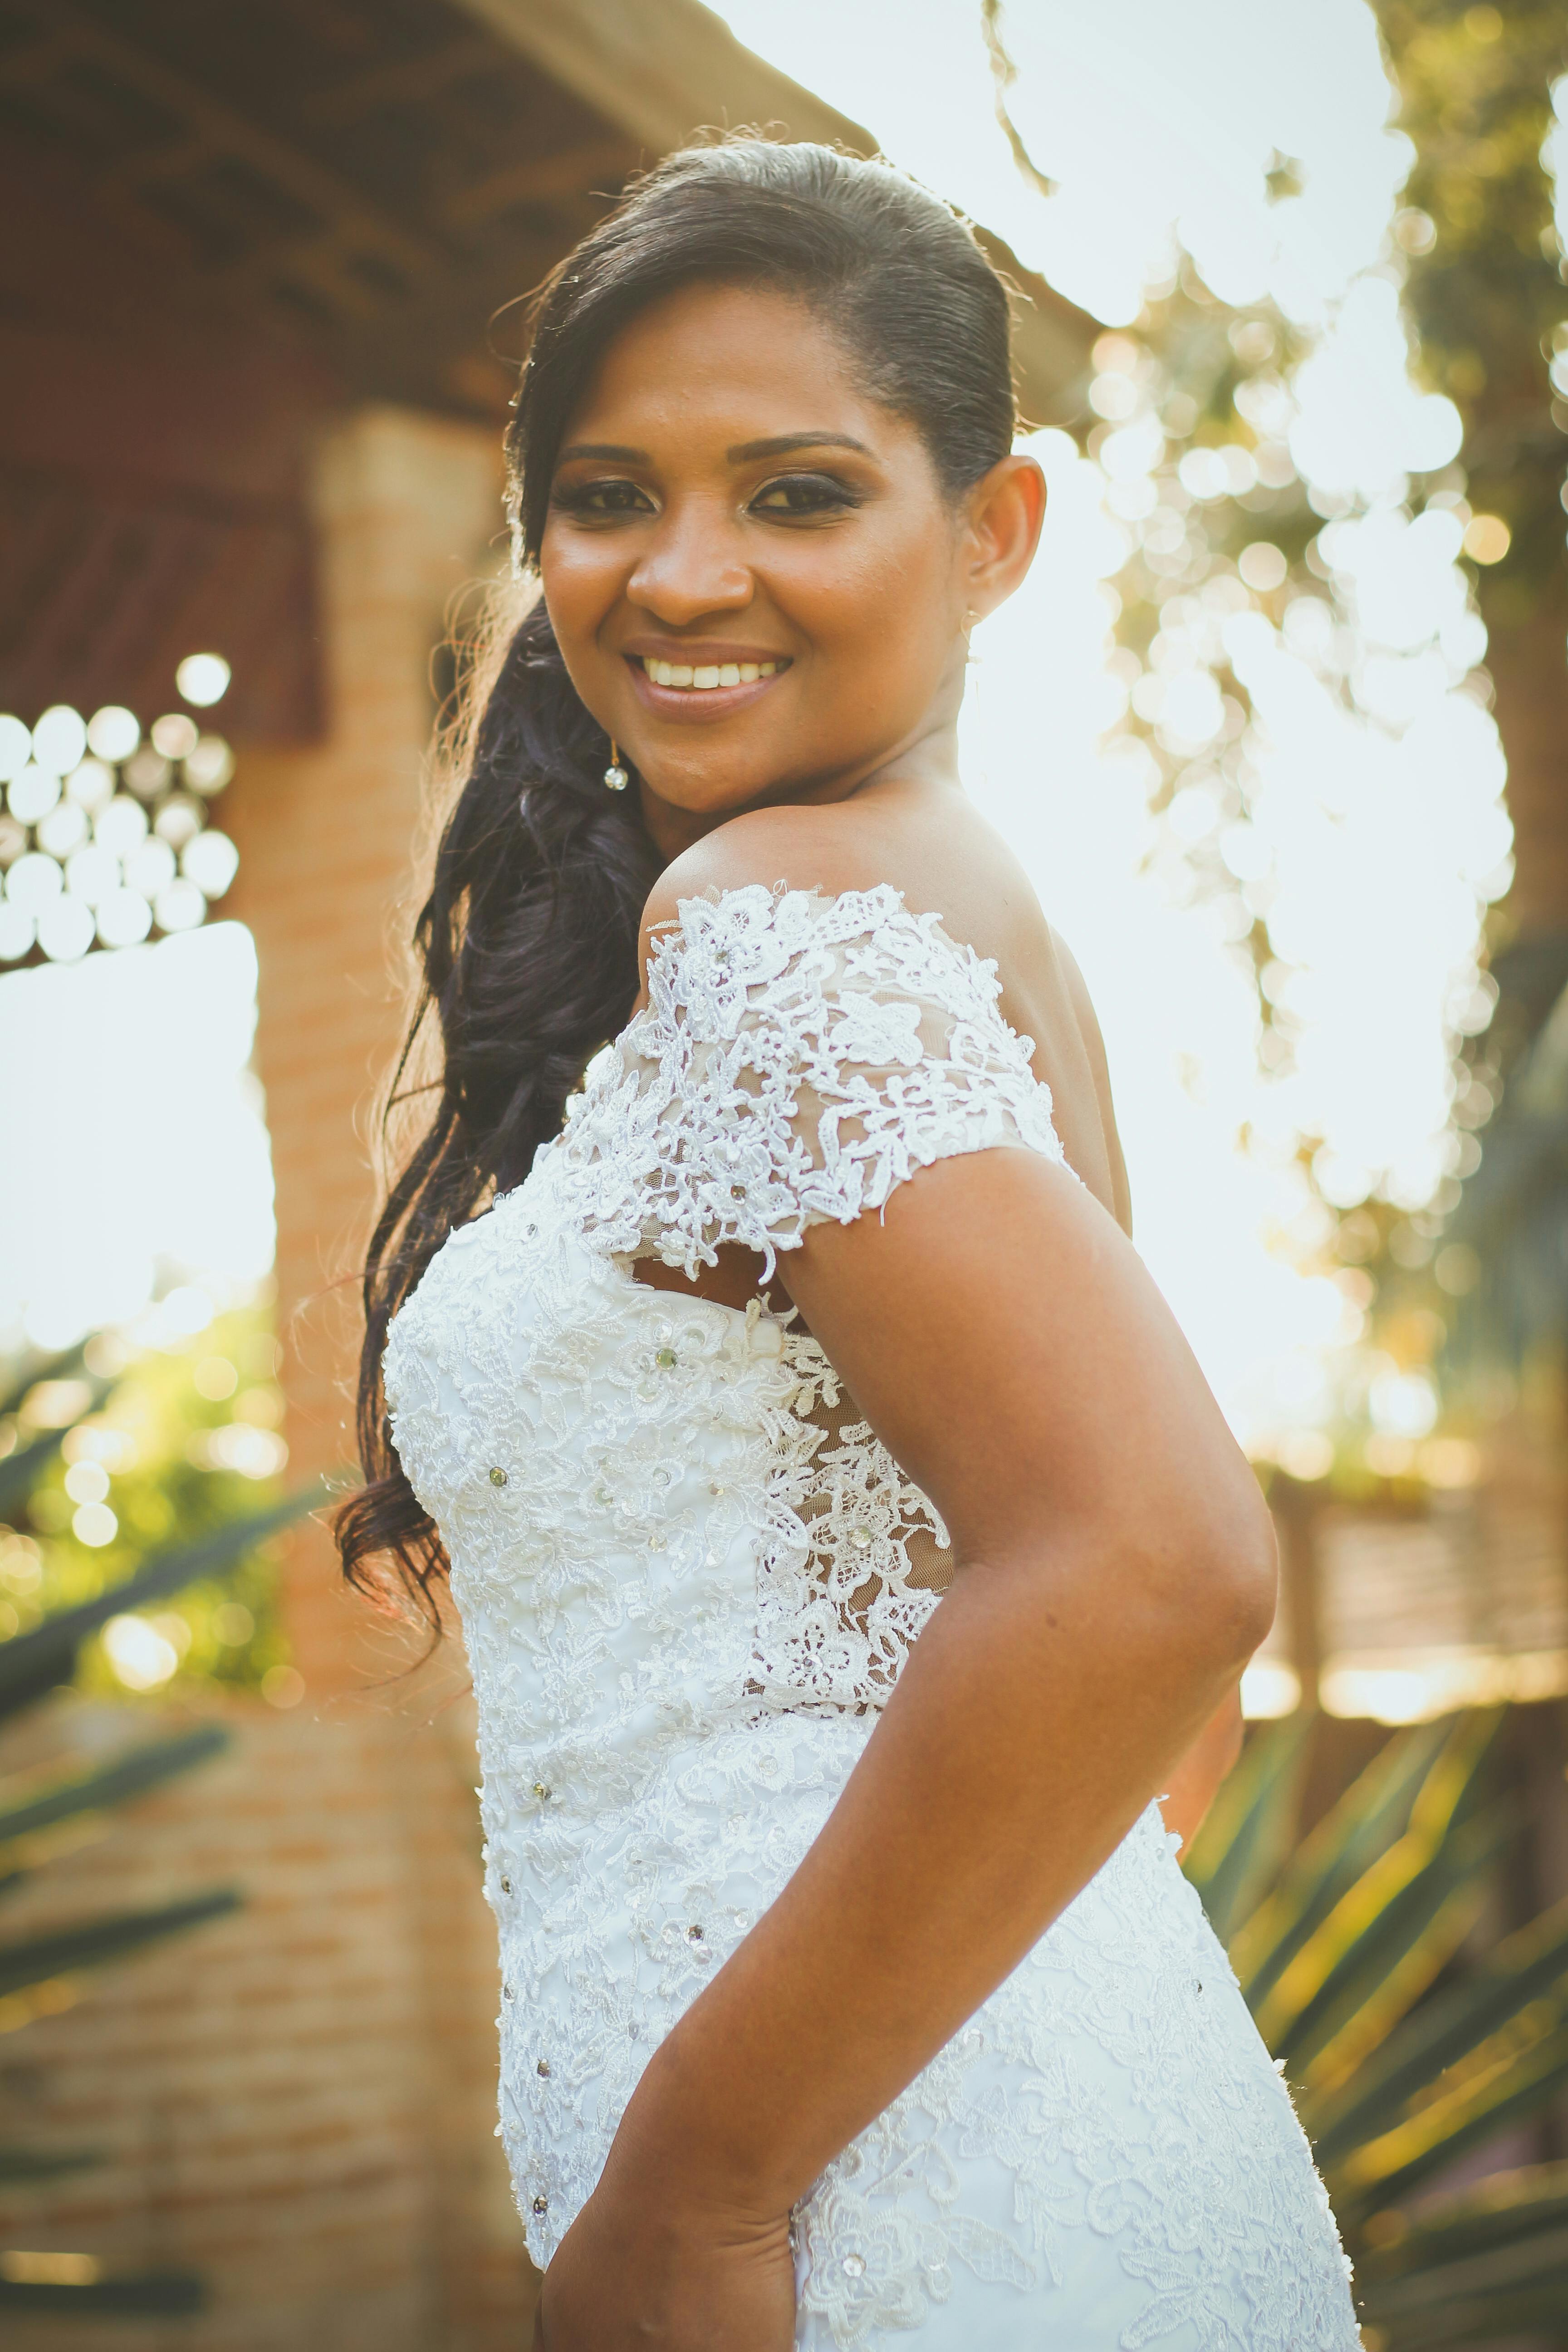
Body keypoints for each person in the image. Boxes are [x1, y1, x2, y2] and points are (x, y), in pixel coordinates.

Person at [338, 138, 1359, 2351]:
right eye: (610, 497)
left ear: (993, 534)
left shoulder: (783, 916)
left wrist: (706, 2186)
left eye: (798, 493)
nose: (683, 574)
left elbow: (1160, 1564)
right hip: (1027, 2122)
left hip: (866, 2206)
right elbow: (1164, 1719)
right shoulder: (960, 919)